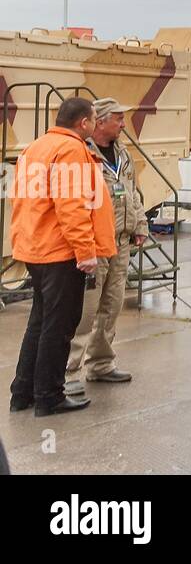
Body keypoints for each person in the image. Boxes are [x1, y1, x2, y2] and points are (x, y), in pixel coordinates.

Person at [9, 97, 115, 417]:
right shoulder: (71, 150)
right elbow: (71, 206)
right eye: (95, 120)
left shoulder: (36, 147)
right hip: (60, 251)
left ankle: (23, 393)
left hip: (36, 247)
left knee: (40, 322)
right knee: (59, 326)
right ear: (83, 123)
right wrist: (85, 252)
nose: (96, 125)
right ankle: (49, 396)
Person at [65, 99, 148, 395]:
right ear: (99, 122)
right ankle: (69, 371)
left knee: (111, 305)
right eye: (118, 119)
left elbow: (132, 193)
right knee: (86, 309)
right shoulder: (83, 154)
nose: (123, 124)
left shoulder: (123, 154)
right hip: (94, 243)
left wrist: (140, 225)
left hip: (120, 242)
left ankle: (100, 364)